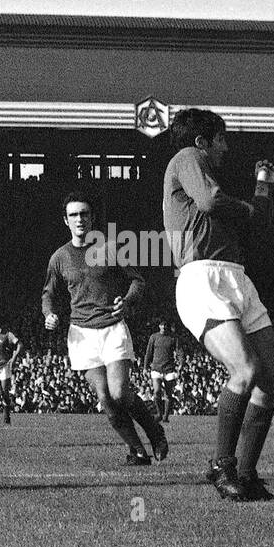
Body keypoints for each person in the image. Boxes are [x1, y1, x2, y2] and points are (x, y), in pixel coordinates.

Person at [163, 107, 274, 501]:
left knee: (269, 383)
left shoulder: (206, 178)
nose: (226, 146)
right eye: (221, 138)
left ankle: (245, 474)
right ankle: (221, 465)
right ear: (202, 141)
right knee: (243, 370)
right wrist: (248, 207)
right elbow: (213, 202)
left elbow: (259, 221)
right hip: (202, 277)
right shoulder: (185, 158)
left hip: (235, 277)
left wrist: (263, 185)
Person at [43, 192, 168, 466]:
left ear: (92, 218)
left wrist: (127, 301)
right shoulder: (59, 257)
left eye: (84, 214)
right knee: (106, 400)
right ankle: (137, 451)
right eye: (74, 215)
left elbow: (137, 281)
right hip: (81, 334)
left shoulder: (109, 248)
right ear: (66, 221)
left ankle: (154, 431)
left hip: (112, 327)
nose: (80, 219)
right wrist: (49, 313)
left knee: (120, 392)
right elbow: (48, 293)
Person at [143, 321, 180, 422]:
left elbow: (179, 351)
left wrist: (181, 363)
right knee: (157, 391)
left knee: (168, 394)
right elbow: (148, 353)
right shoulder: (154, 337)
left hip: (169, 369)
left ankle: (166, 416)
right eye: (162, 325)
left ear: (168, 326)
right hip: (156, 368)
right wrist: (145, 367)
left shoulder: (173, 338)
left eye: (165, 325)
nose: (163, 327)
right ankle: (159, 413)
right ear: (159, 326)